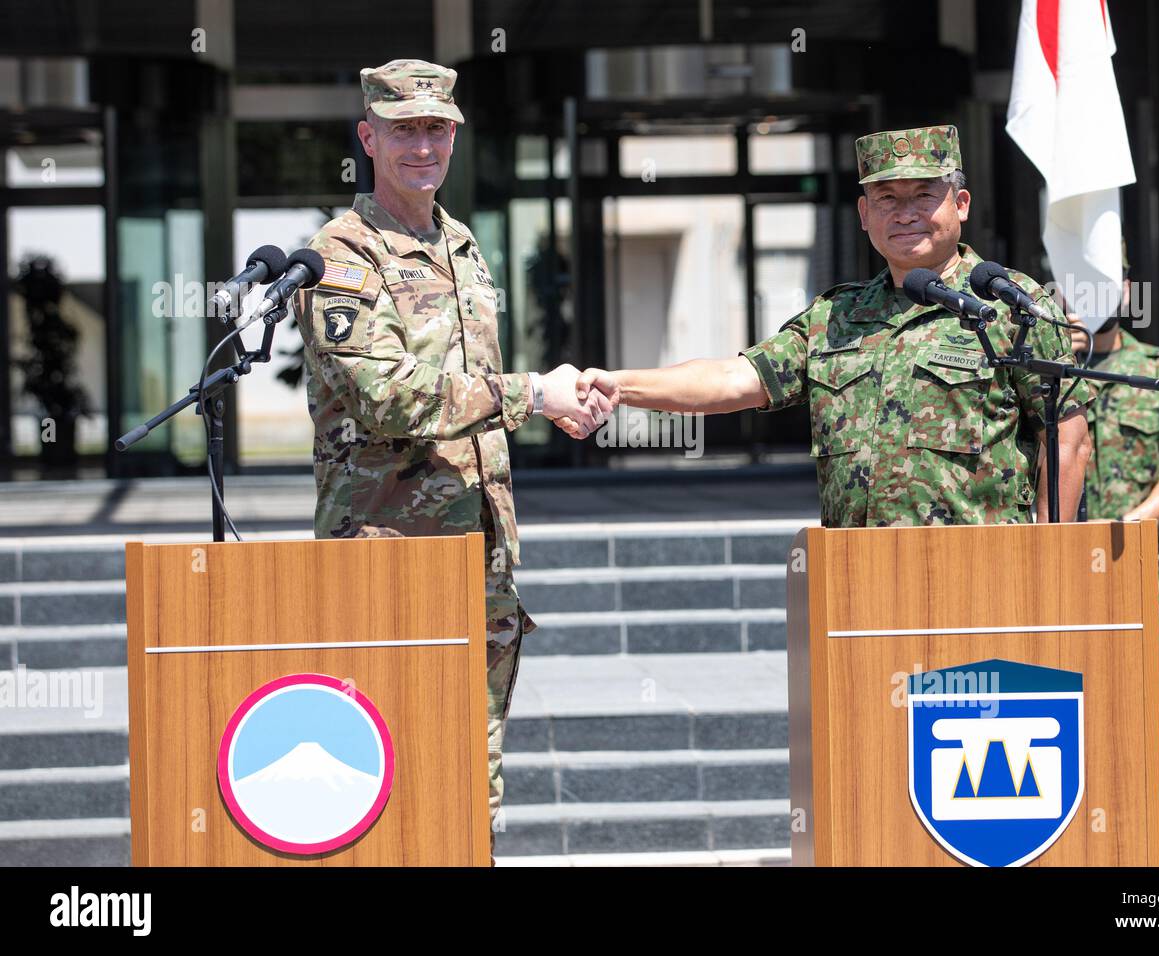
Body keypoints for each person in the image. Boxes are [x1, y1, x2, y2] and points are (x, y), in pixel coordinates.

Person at [292, 59, 614, 861]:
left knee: (475, 769)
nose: (423, 145)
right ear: (369, 137)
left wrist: (555, 408)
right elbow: (388, 398)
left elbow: (470, 396)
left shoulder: (462, 245)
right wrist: (536, 393)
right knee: (382, 764)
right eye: (404, 129)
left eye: (438, 128)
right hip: (387, 555)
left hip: (480, 555)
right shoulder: (341, 257)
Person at [562, 125, 1093, 527]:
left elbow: (1066, 438)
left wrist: (1046, 560)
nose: (905, 213)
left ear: (960, 204)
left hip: (980, 574)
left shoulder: (1011, 306)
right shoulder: (834, 318)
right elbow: (732, 380)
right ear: (864, 214)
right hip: (856, 583)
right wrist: (621, 384)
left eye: (923, 195)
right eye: (887, 199)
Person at [1066, 248, 1159, 749]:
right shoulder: (1040, 372)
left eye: (1102, 283)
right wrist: (1063, 360)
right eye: (1076, 283)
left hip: (1135, 565)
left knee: (1141, 734)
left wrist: (1136, 521)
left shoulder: (1158, 369)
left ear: (1126, 291)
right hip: (1063, 571)